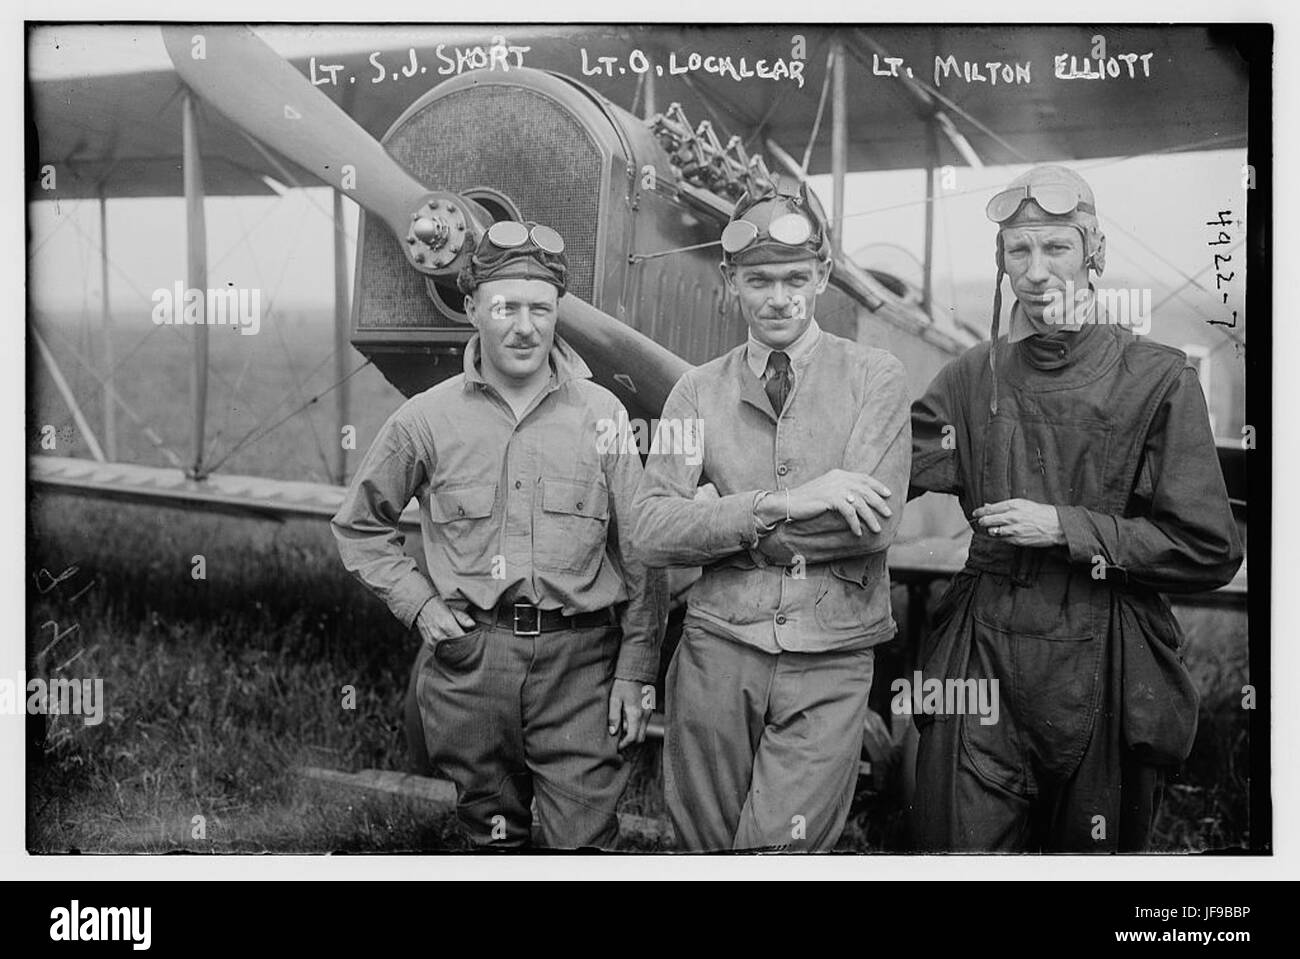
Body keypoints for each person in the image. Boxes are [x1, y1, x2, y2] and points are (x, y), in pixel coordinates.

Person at [903, 164, 1243, 851]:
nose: (1036, 270)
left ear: (1096, 254)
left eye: (1055, 247)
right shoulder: (971, 377)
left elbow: (1208, 547)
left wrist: (1064, 526)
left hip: (1108, 658)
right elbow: (883, 468)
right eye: (1017, 250)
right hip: (983, 655)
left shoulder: (1159, 379)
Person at [331, 221, 667, 849]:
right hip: (471, 665)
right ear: (472, 309)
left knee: (586, 844)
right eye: (505, 307)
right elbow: (359, 526)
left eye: (541, 308)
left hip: (582, 669)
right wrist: (421, 606)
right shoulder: (425, 419)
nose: (525, 326)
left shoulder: (604, 416)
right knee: (489, 841)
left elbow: (644, 552)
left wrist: (636, 669)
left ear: (557, 313)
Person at [631, 176, 911, 851]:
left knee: (779, 849)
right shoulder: (696, 391)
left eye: (794, 277)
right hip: (715, 652)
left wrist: (718, 528)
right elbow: (648, 529)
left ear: (821, 277)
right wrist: (782, 502)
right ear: (730, 281)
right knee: (703, 845)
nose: (778, 297)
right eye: (759, 281)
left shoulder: (876, 376)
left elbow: (868, 525)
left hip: (831, 653)